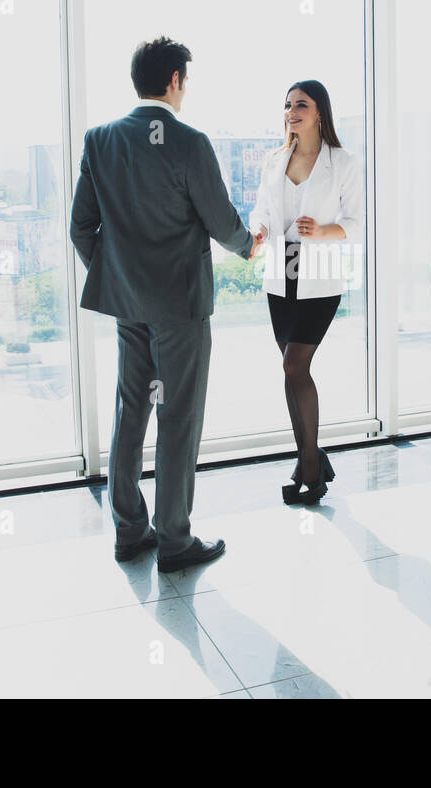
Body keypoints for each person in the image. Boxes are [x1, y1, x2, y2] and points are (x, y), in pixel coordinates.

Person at [70, 36, 261, 573]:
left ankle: (130, 531)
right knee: (177, 415)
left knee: (132, 409)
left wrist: (120, 278)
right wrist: (249, 244)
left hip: (129, 306)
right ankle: (175, 540)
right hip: (180, 306)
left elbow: (80, 228)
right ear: (175, 80)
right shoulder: (189, 142)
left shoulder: (100, 140)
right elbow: (221, 221)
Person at [248, 80, 363, 505]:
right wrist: (259, 228)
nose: (291, 111)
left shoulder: (344, 161)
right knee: (289, 368)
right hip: (281, 272)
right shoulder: (274, 160)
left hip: (321, 274)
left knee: (296, 365)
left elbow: (359, 221)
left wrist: (325, 230)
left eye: (301, 104)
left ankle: (311, 468)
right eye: (287, 105)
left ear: (319, 113)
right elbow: (262, 208)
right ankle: (308, 458)